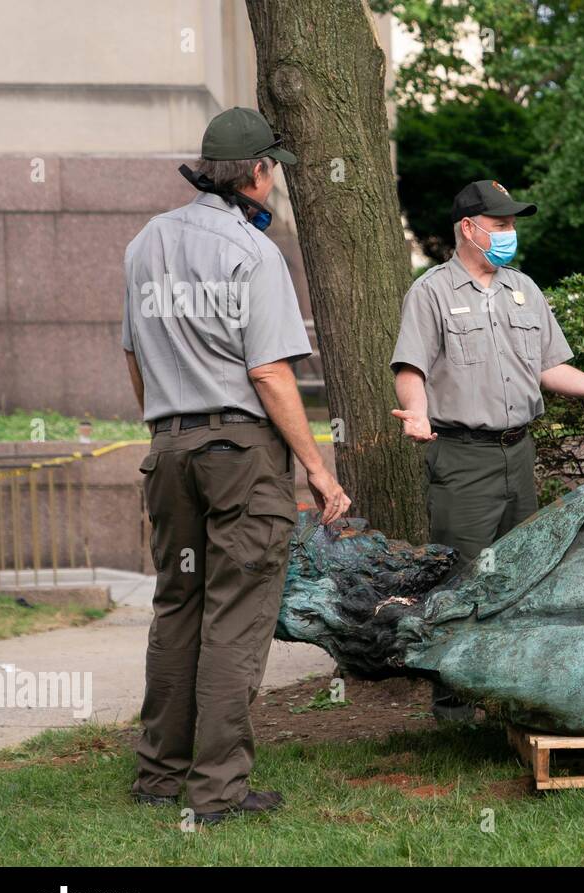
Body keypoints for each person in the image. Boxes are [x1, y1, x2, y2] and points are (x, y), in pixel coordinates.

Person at [121, 106, 350, 824]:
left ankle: (160, 773)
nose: (275, 178)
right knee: (234, 618)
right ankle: (218, 791)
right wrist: (318, 468)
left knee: (177, 607)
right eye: (272, 167)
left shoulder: (144, 244)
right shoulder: (254, 254)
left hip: (169, 448)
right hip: (240, 454)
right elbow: (272, 375)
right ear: (256, 173)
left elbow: (134, 357)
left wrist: (165, 426)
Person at [390, 179, 584, 567]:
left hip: (519, 454)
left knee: (518, 570)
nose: (511, 234)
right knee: (462, 576)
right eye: (501, 225)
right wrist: (417, 411)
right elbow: (410, 367)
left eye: (512, 226)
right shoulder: (431, 292)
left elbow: (550, 367)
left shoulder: (524, 288)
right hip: (463, 458)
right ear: (469, 228)